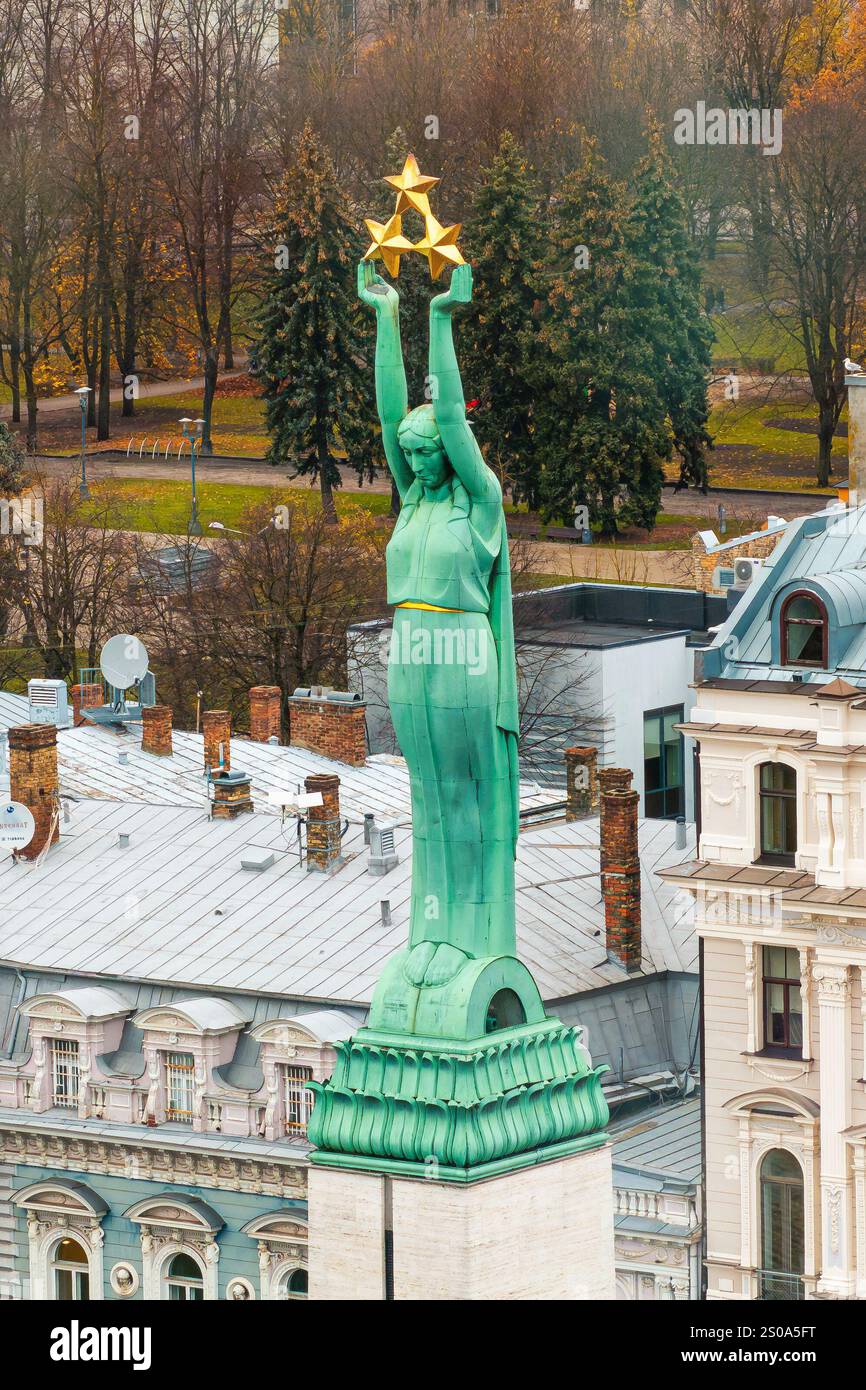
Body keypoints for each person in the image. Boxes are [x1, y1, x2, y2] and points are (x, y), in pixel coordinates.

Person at [358, 259, 519, 987]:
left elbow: (445, 416)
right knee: (423, 790)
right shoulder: (416, 498)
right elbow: (394, 414)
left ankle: (479, 931)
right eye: (412, 457)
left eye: (428, 456)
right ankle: (431, 930)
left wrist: (439, 320)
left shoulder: (476, 499)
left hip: (462, 648)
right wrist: (385, 315)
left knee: (467, 789)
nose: (417, 463)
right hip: (410, 646)